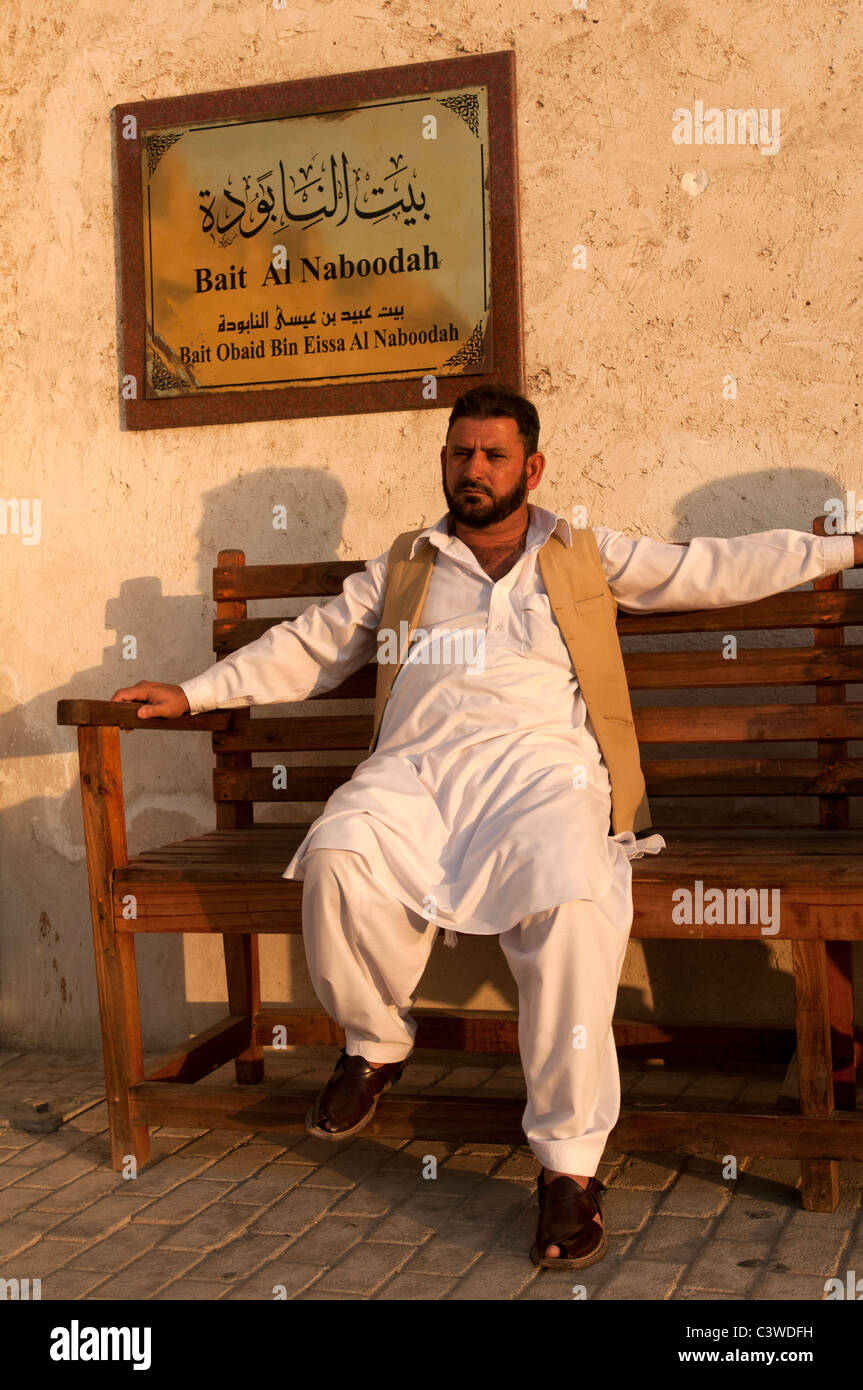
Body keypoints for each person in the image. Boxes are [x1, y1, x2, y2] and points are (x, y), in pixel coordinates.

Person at [111, 384, 860, 1269]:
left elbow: (704, 568)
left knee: (574, 905)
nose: (474, 469)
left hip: (543, 779)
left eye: (493, 455)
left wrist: (843, 548)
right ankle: (376, 1041)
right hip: (416, 774)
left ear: (531, 468)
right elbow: (308, 646)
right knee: (342, 851)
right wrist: (193, 692)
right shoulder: (407, 566)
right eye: (459, 453)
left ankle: (569, 1170)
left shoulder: (581, 552)